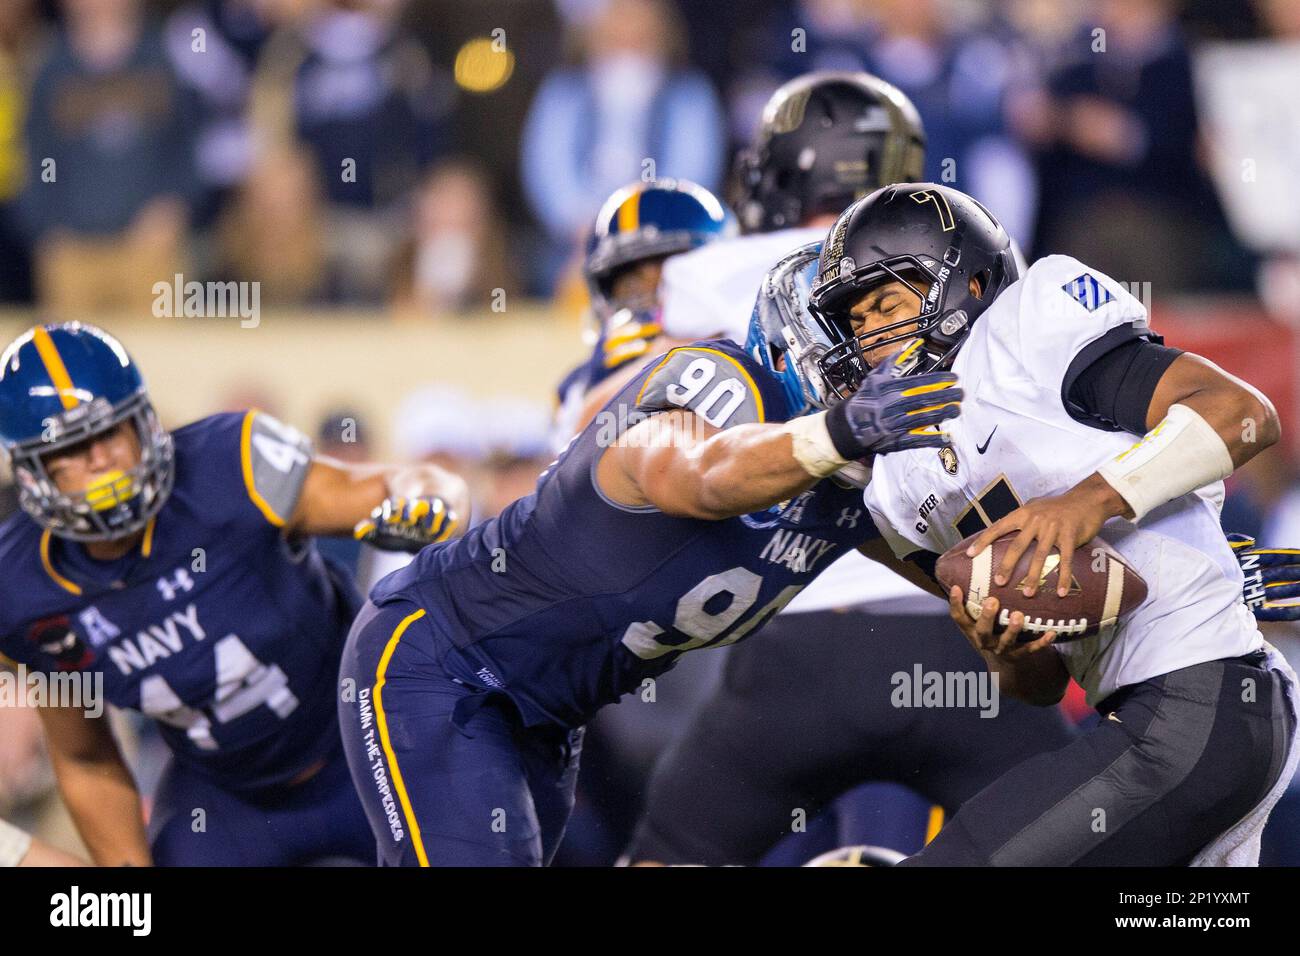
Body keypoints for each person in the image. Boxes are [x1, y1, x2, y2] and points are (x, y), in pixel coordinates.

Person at [336, 267, 965, 864]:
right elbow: (698, 476)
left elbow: (957, 577)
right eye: (858, 326)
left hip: (551, 716)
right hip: (442, 656)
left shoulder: (851, 487)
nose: (884, 356)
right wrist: (840, 431)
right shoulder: (722, 381)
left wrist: (1022, 603)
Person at [807, 182, 1297, 864]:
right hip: (1164, 717)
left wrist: (1088, 501)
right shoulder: (897, 485)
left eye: (886, 303)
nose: (871, 338)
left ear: (970, 282)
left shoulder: (1025, 328)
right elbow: (1037, 687)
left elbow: (1241, 413)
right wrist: (1003, 645)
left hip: (1202, 696)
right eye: (856, 322)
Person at [0, 322, 468, 866]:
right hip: (226, 802)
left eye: (110, 433)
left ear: (144, 423)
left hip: (371, 746)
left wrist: (431, 503)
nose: (100, 460)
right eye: (74, 449)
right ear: (33, 473)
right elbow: (88, 760)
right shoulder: (23, 592)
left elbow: (393, 486)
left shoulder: (230, 466)